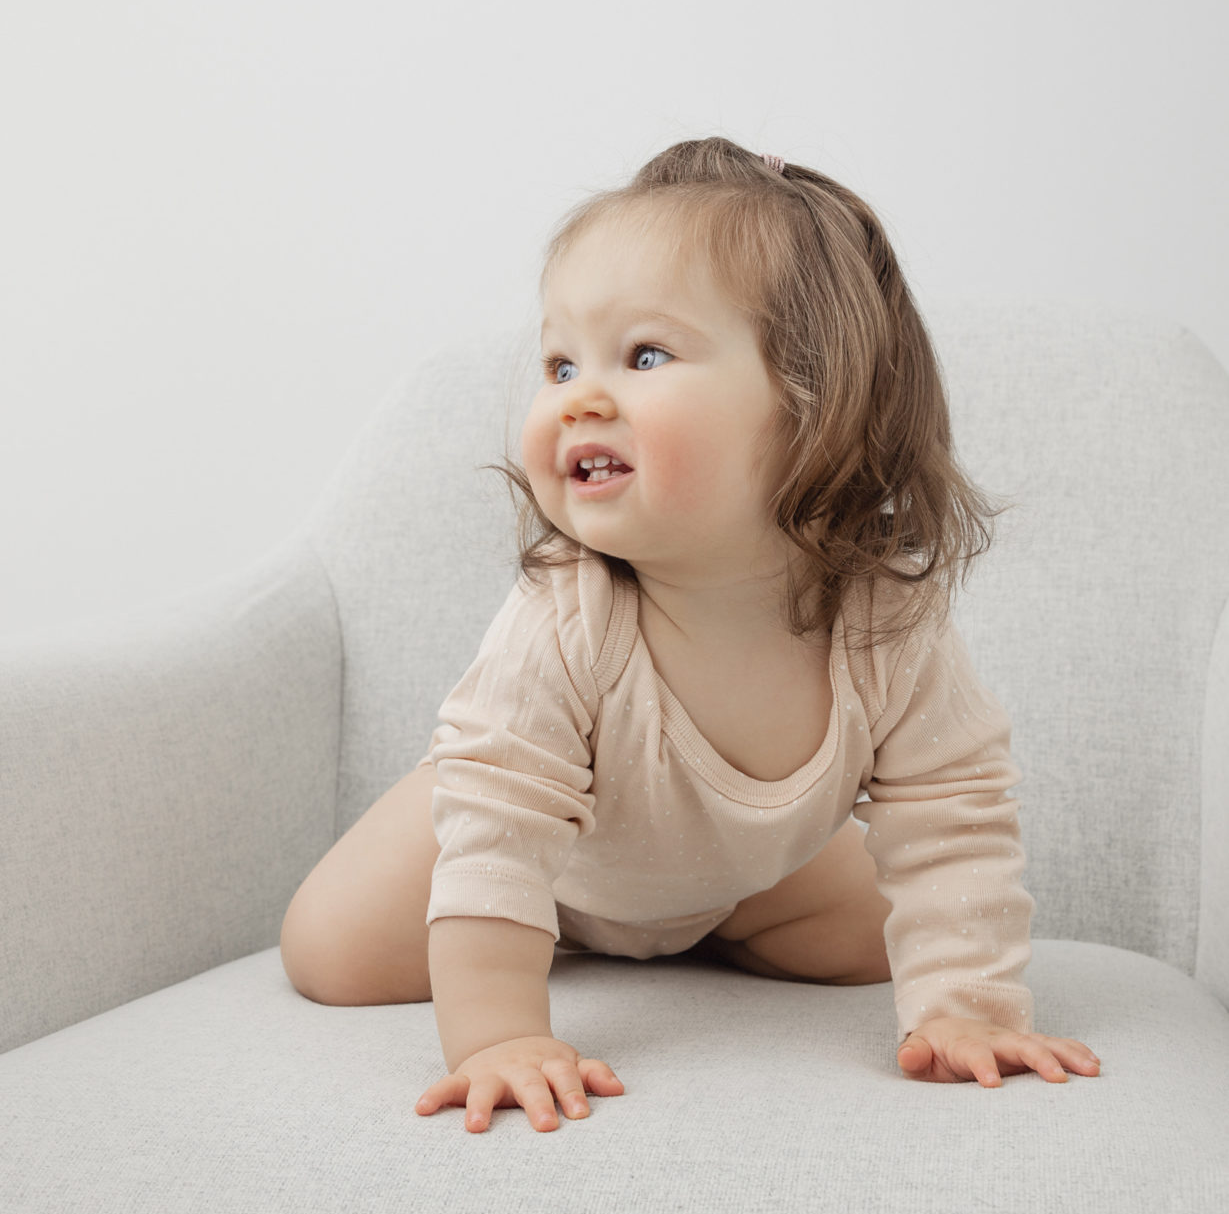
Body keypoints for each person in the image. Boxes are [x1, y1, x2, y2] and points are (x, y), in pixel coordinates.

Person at [279, 136, 1101, 1133]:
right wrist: (500, 1034)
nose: (579, 394)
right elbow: (498, 829)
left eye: (645, 355)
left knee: (872, 943)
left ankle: (704, 923)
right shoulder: (567, 615)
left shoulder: (885, 625)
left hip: (733, 879)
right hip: (542, 842)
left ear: (813, 407)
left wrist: (966, 1009)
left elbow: (948, 813)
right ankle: (574, 928)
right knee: (329, 953)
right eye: (559, 361)